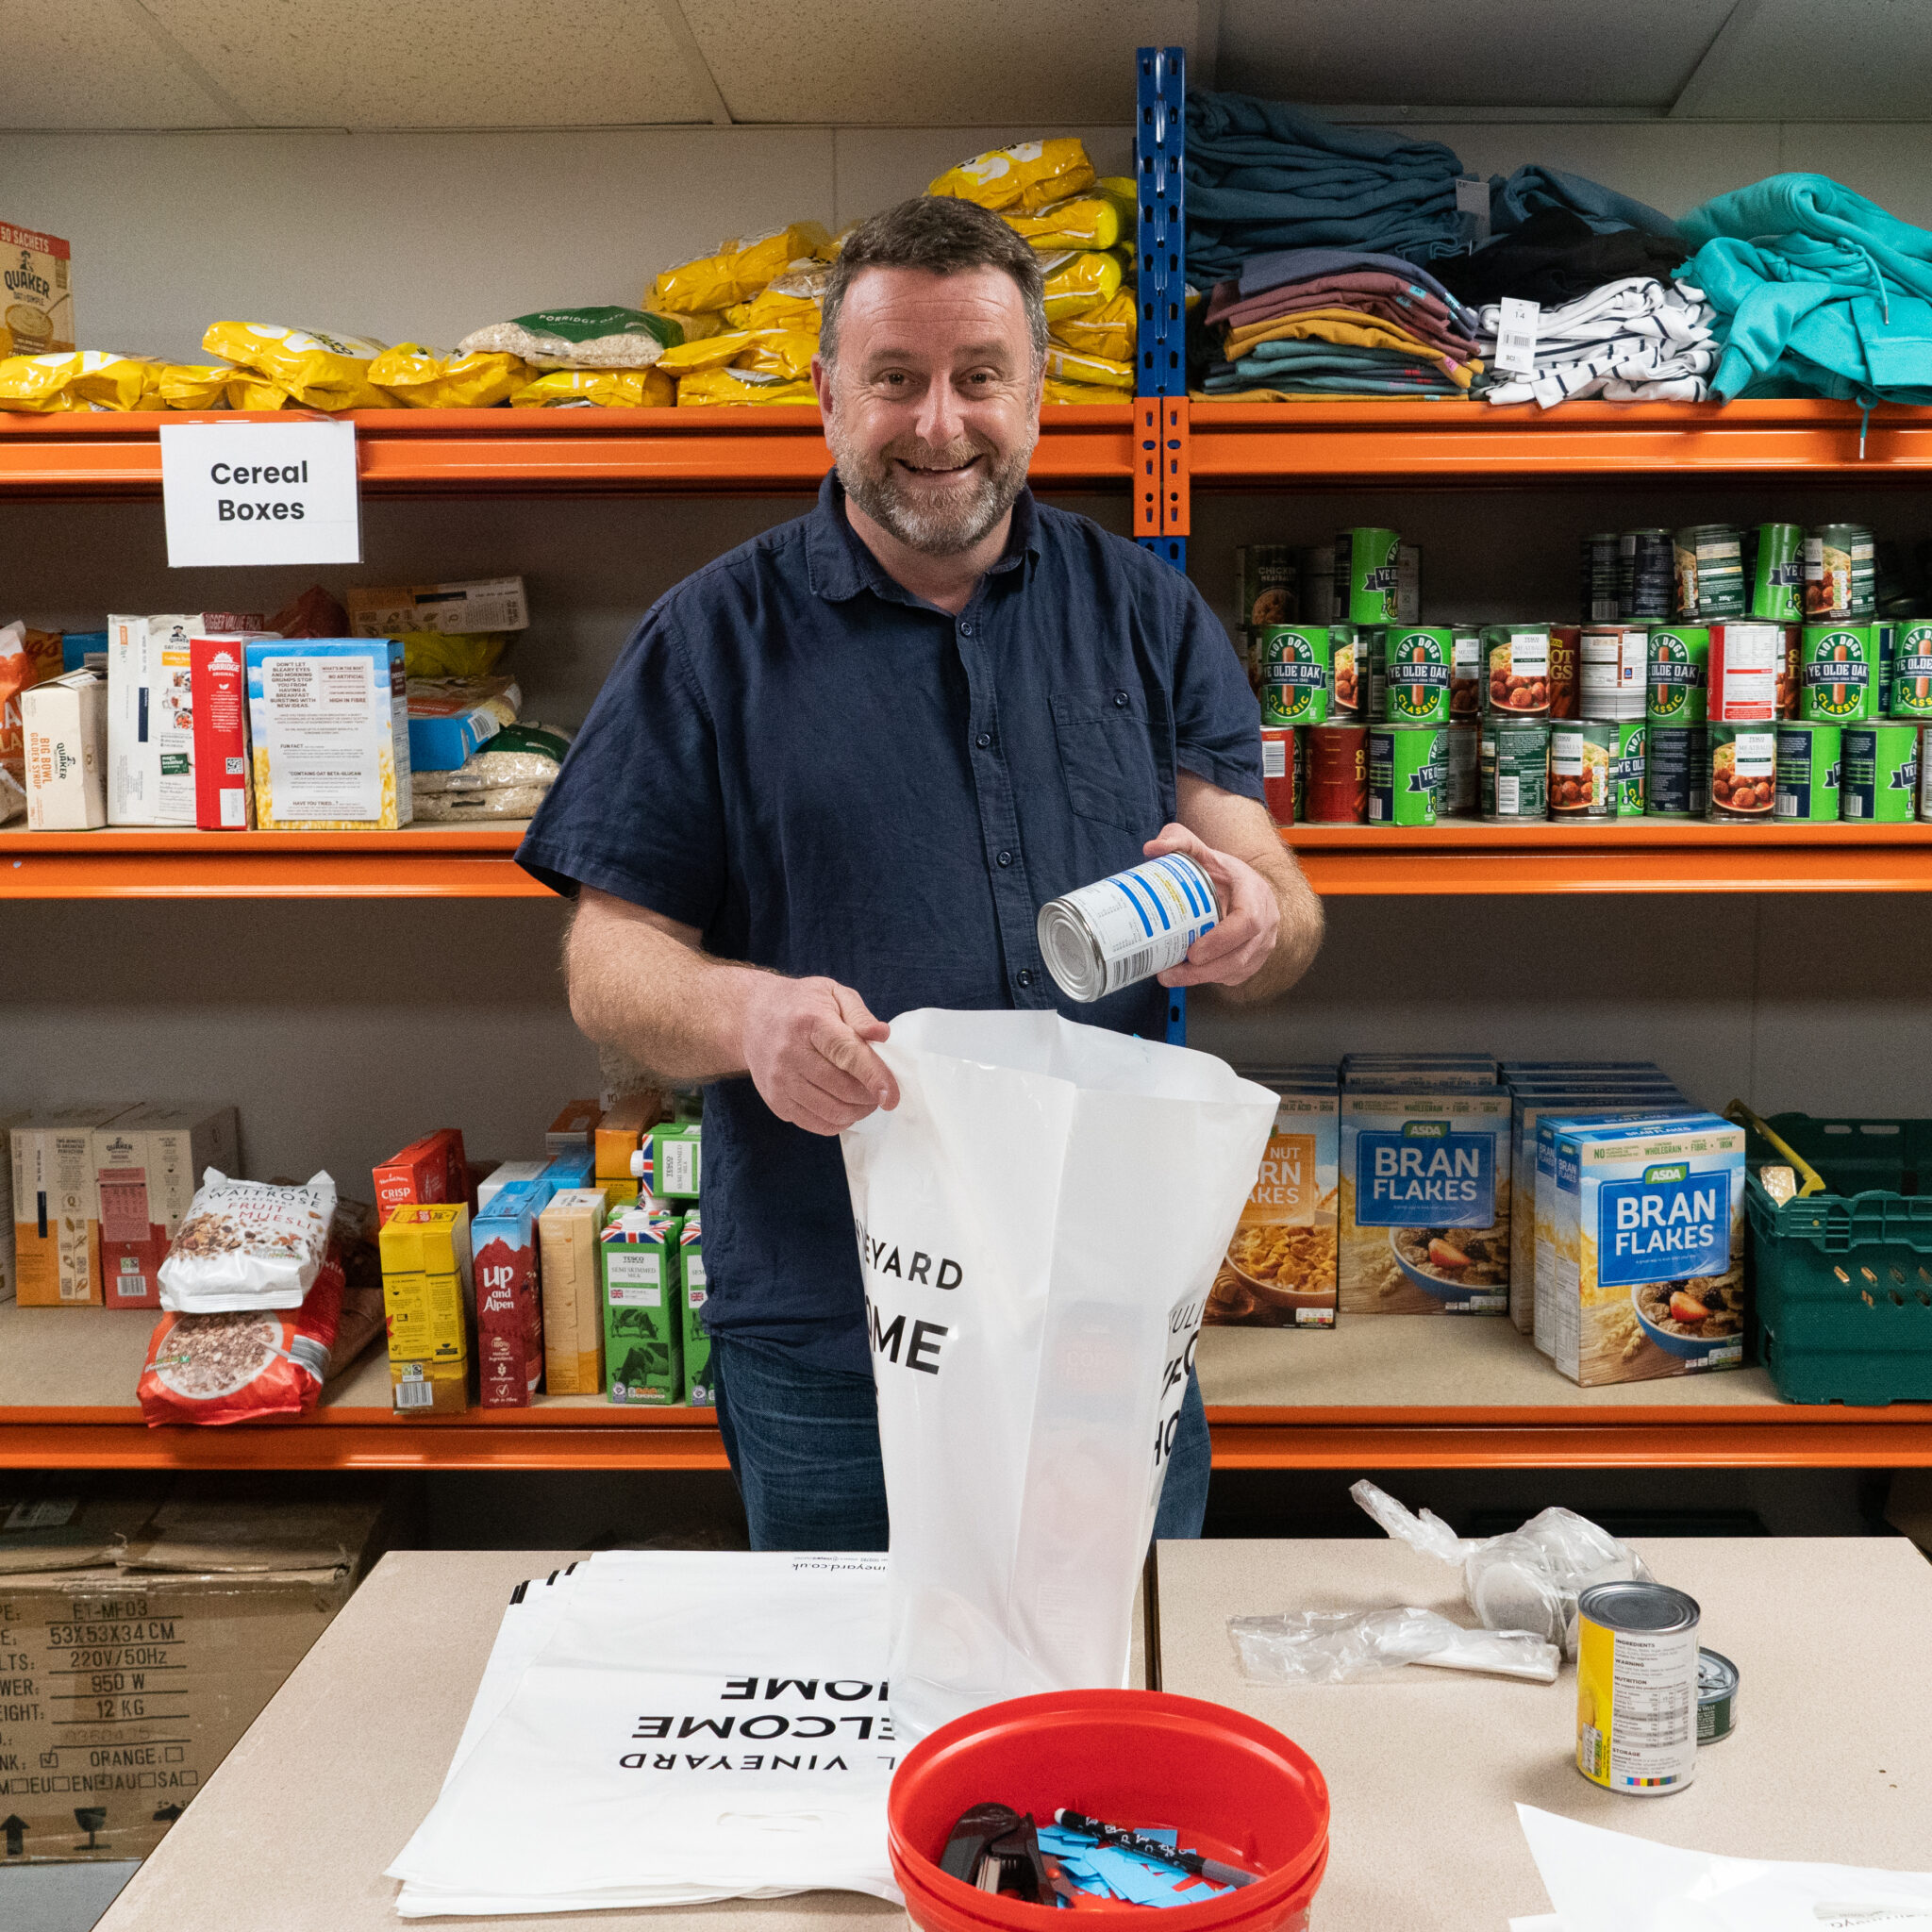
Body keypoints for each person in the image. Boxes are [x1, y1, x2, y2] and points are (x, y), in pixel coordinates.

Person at [517, 193, 1324, 1551]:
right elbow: (609, 963)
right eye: (895, 379)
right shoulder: (709, 640)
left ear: (1037, 396)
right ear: (830, 396)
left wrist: (1256, 919)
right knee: (852, 1733)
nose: (939, 424)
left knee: (1109, 1707)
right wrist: (747, 1018)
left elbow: (1274, 890)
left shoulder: (1141, 610)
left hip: (1101, 1317)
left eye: (978, 379)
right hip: (838, 1338)